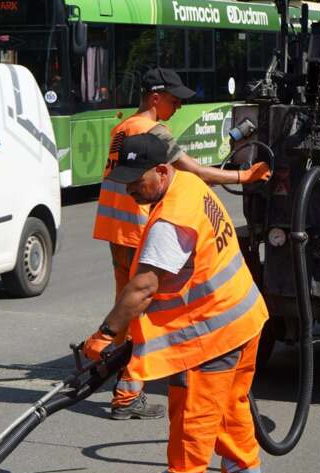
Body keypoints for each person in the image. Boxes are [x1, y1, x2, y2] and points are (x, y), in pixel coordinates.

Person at [84, 133, 268, 473]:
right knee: (229, 404)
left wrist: (105, 335)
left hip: (213, 331)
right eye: (126, 181)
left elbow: (145, 287)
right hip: (244, 316)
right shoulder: (188, 184)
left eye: (138, 180)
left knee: (192, 412)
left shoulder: (171, 220)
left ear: (163, 171)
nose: (131, 189)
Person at [93, 67, 270, 420]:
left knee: (127, 305)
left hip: (114, 228)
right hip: (140, 228)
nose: (175, 108)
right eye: (173, 101)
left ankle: (124, 387)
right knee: (140, 306)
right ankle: (128, 393)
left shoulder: (123, 129)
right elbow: (193, 172)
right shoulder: (154, 132)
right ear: (155, 98)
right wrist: (243, 176)